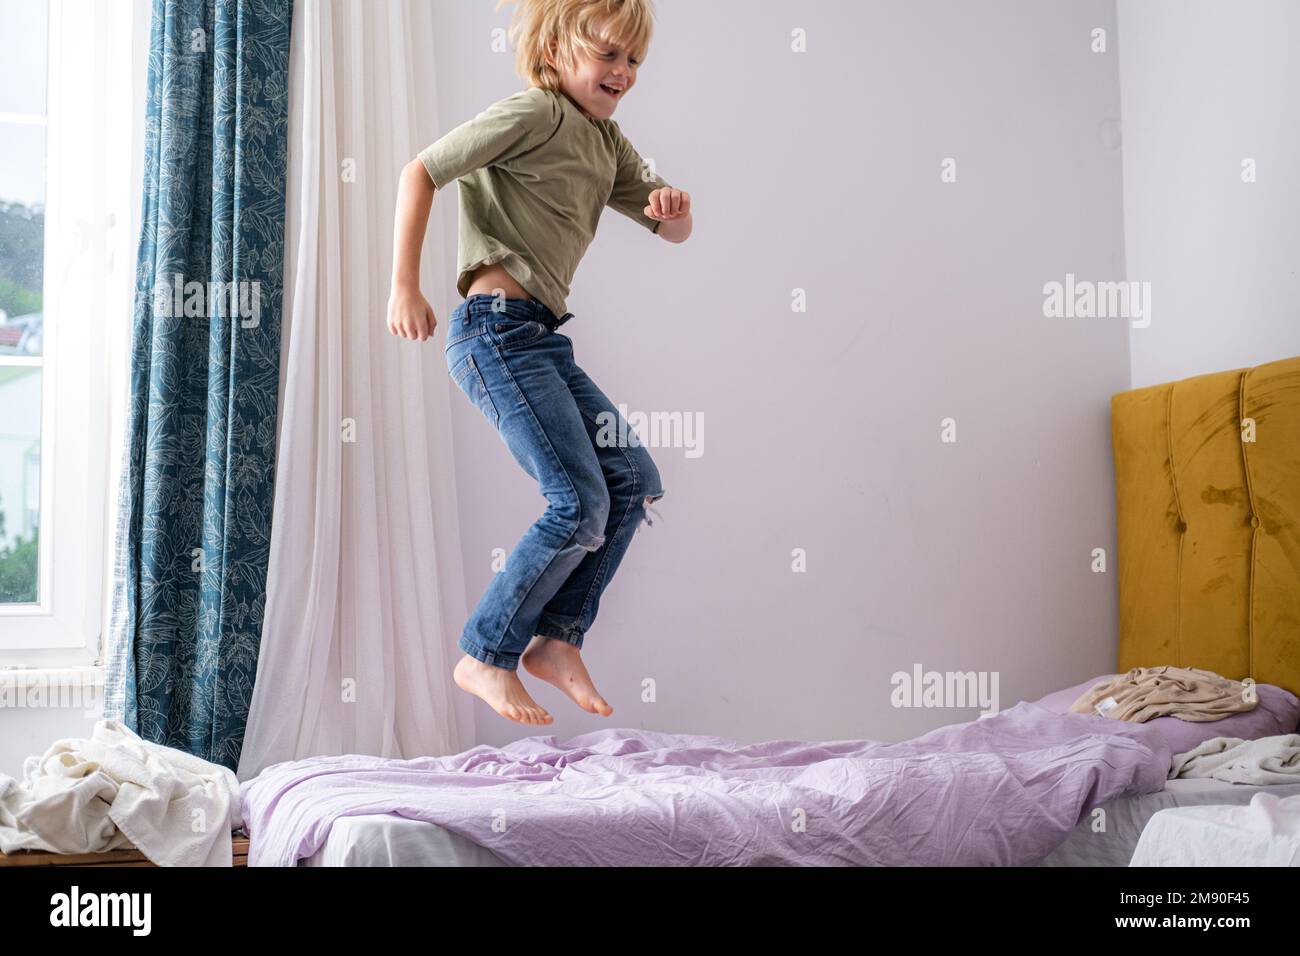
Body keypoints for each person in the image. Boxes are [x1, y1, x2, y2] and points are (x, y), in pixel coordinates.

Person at [386, 0, 692, 725]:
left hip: (539, 338)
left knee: (630, 480)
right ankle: (485, 655)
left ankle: (556, 640)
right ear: (555, 52)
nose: (622, 72)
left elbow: (669, 230)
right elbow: (421, 171)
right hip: (494, 332)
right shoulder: (532, 113)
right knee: (577, 502)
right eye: (608, 54)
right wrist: (404, 284)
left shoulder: (608, 143)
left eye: (633, 61)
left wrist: (675, 210)